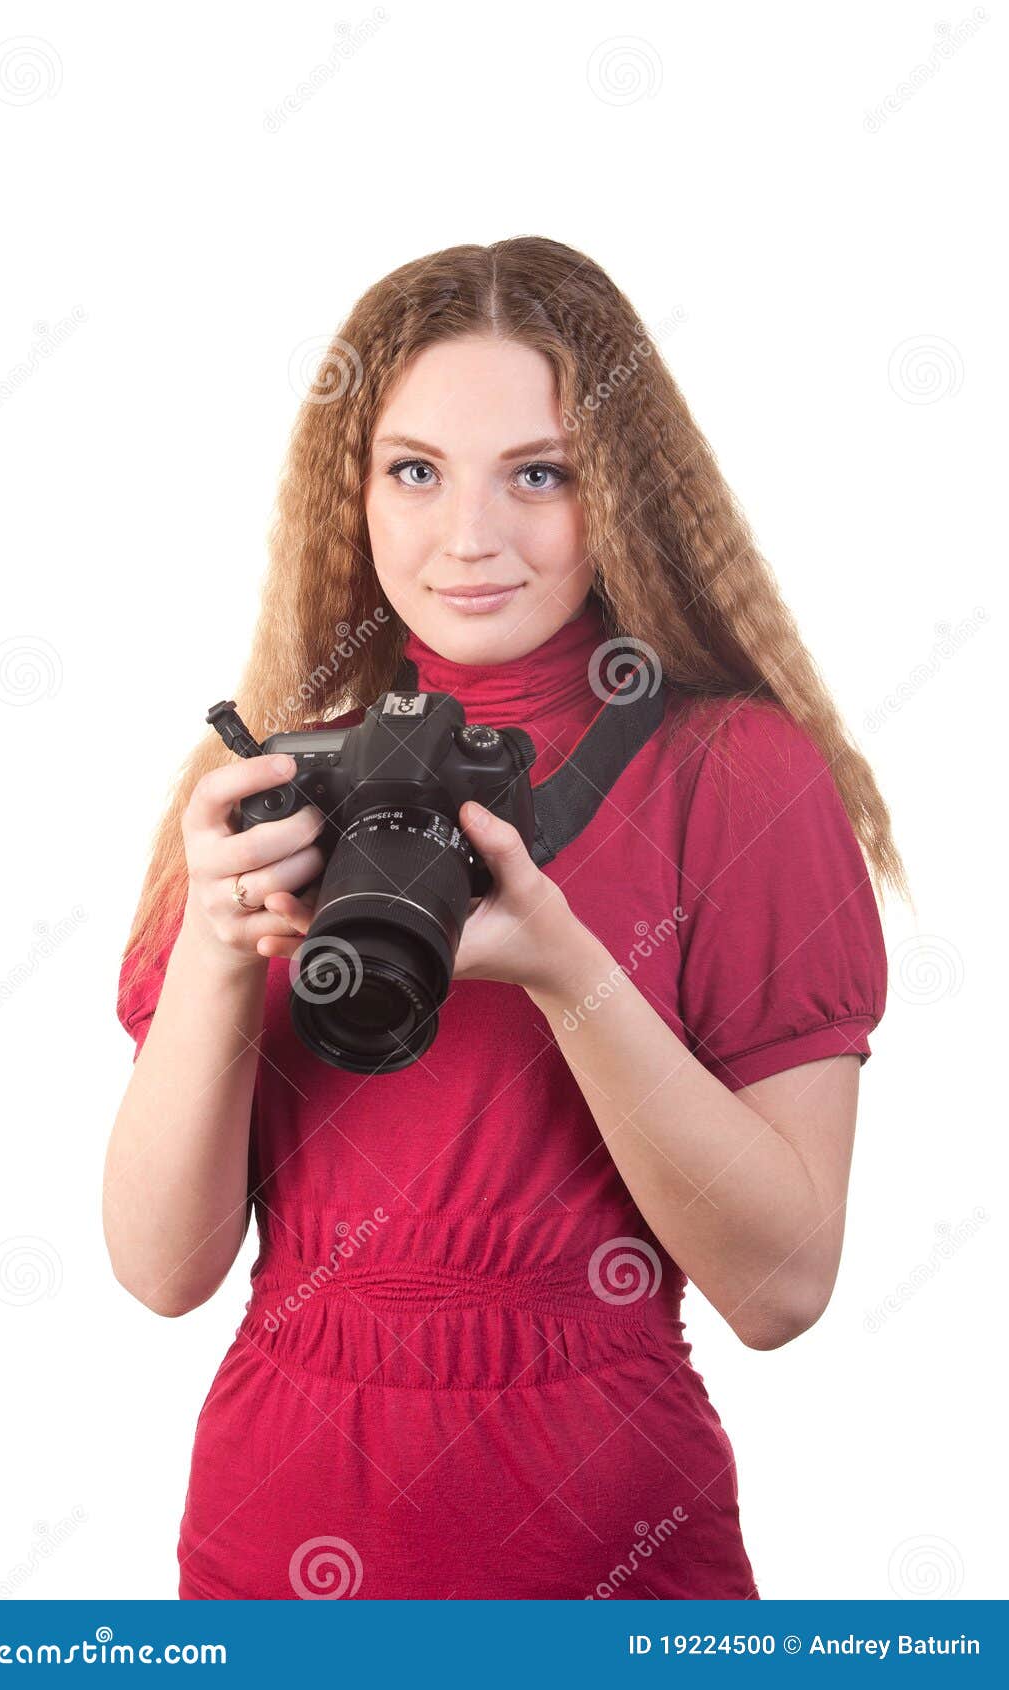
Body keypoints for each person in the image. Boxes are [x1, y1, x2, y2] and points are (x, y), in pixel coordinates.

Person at [104, 236, 908, 1601]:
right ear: (350, 492)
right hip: (274, 1539)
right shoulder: (272, 784)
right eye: (413, 470)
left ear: (619, 496)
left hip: (610, 1556)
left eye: (537, 473)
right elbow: (162, 1270)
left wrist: (561, 968)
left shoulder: (734, 774)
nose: (468, 536)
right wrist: (217, 960)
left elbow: (780, 1286)